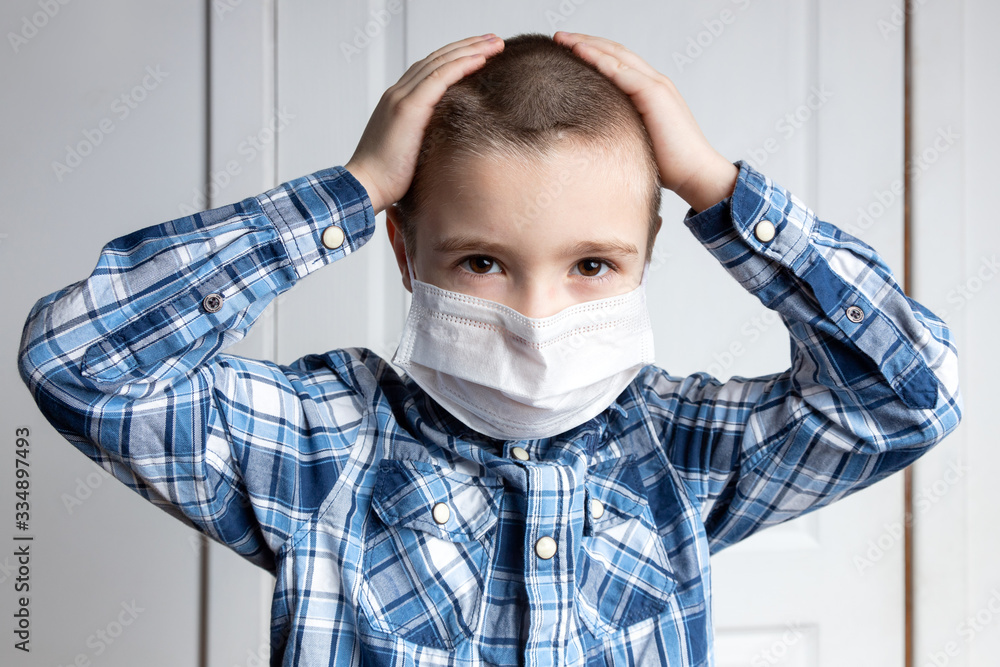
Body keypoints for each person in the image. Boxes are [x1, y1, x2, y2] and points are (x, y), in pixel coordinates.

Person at [17, 31, 962, 666]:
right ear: (405, 251)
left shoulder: (681, 451)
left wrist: (719, 188)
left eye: (591, 263)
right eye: (482, 261)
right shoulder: (322, 445)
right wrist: (350, 192)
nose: (537, 316)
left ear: (646, 257)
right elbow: (81, 358)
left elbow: (909, 394)